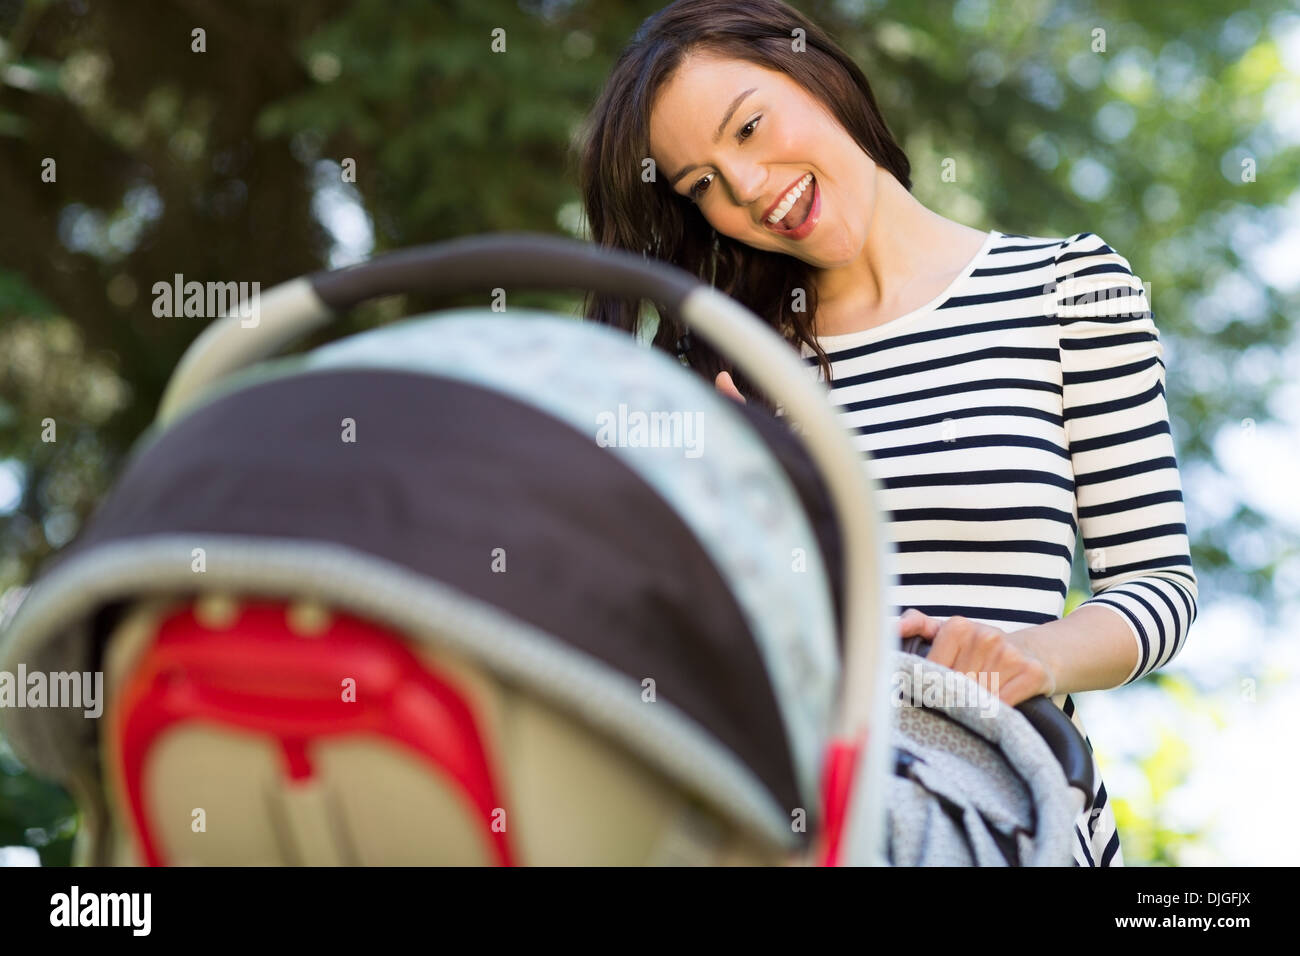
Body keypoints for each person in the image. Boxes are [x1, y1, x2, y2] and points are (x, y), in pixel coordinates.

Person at [578, 0, 1198, 867]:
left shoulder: (1069, 287)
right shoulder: (720, 366)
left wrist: (1029, 656)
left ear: (816, 72)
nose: (749, 187)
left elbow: (1159, 587)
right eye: (704, 185)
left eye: (750, 128)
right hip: (793, 812)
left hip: (1005, 812)